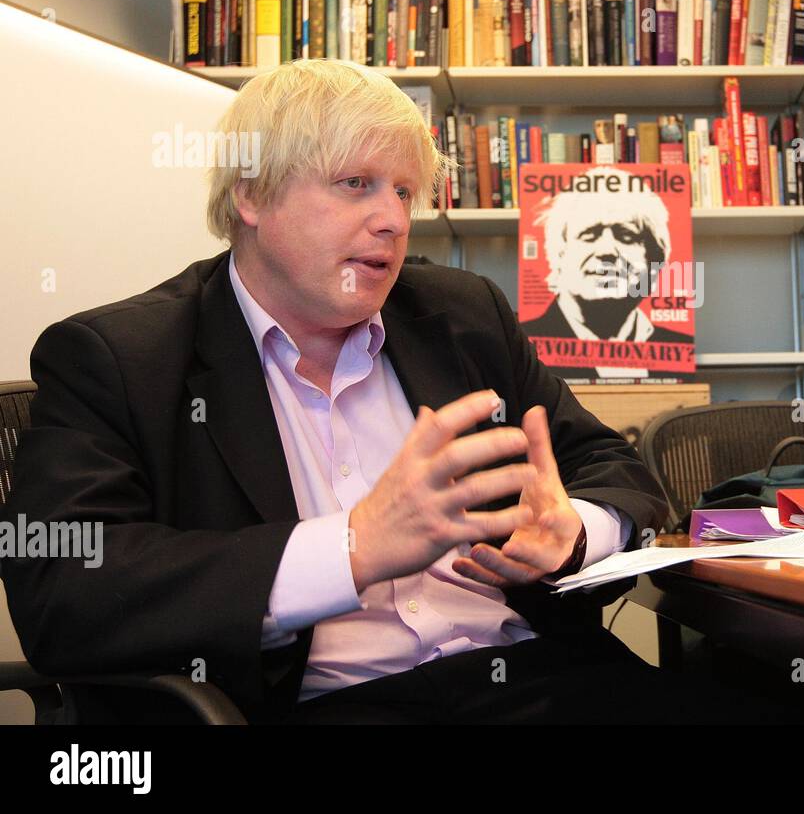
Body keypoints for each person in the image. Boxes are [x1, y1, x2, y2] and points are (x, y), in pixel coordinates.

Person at [2, 60, 742, 724]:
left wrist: (574, 530)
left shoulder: (461, 316)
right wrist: (351, 547)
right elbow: (63, 587)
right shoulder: (119, 358)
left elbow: (618, 472)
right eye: (355, 183)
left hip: (546, 677)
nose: (391, 218)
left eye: (404, 191)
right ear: (252, 192)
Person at [519, 166, 692, 381]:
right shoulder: (524, 347)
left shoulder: (678, 349)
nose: (607, 251)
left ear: (653, 259)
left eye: (627, 236)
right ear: (559, 253)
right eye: (589, 235)